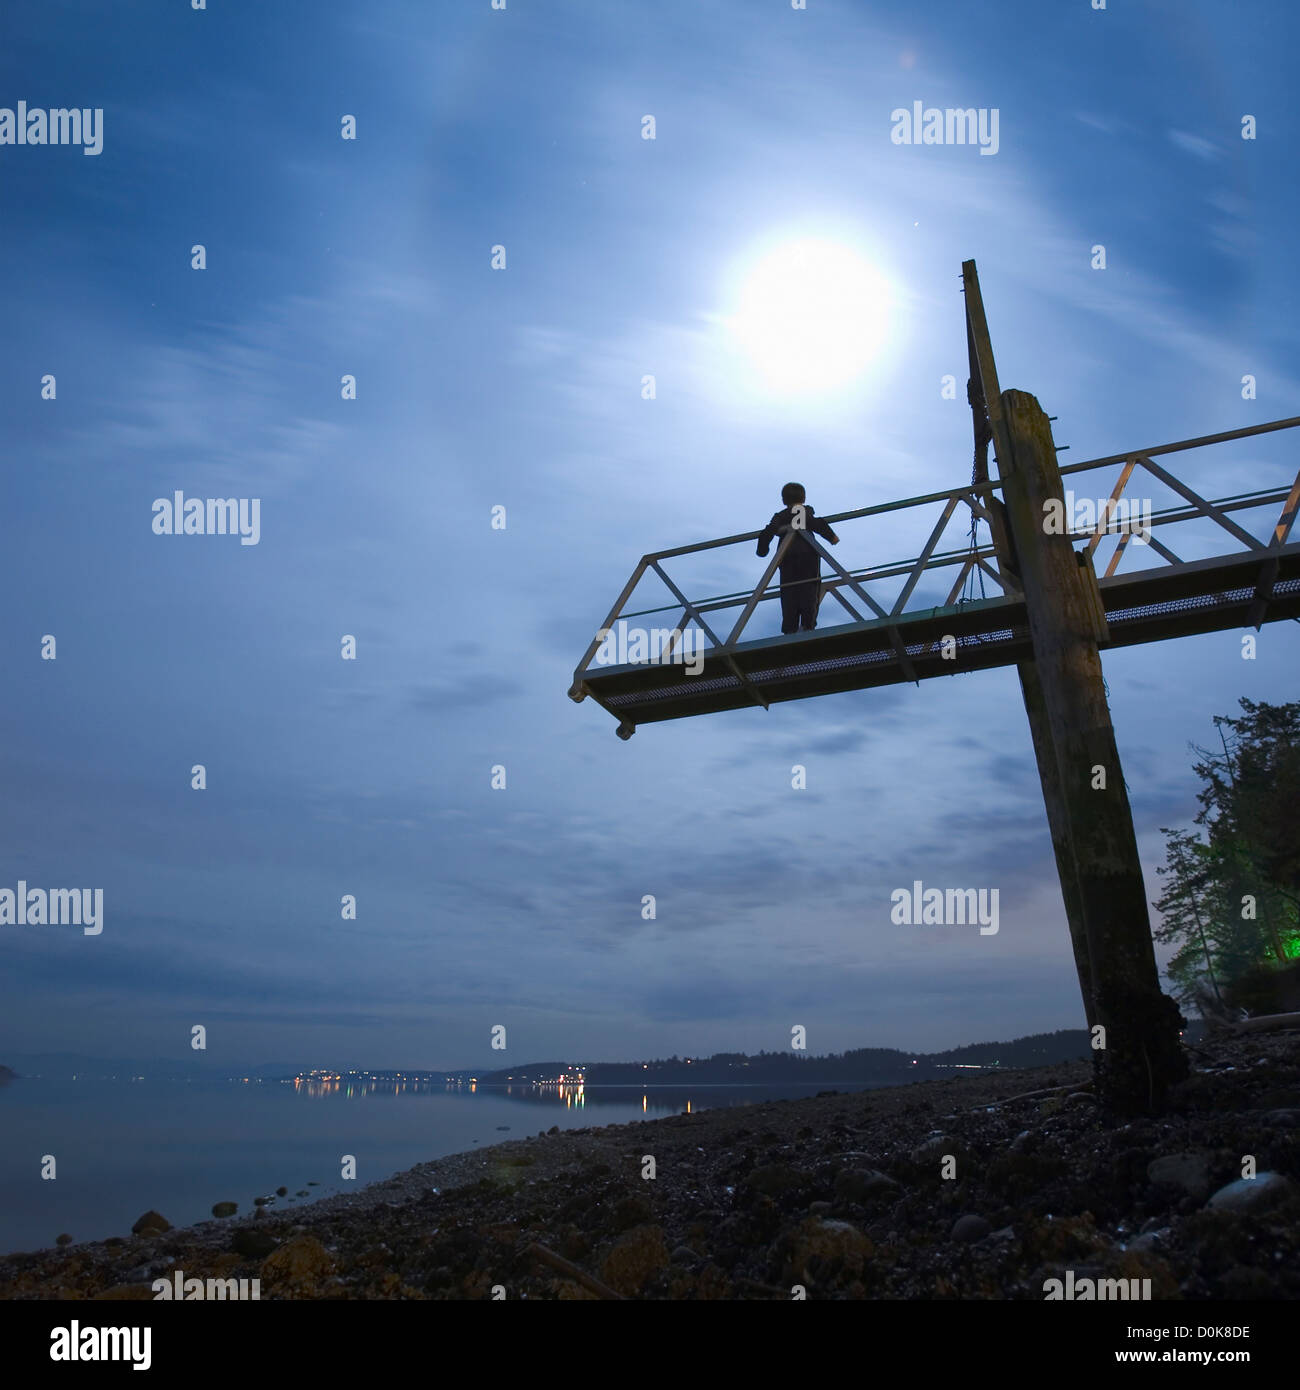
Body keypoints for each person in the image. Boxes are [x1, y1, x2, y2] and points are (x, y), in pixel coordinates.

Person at [756, 483, 840, 634]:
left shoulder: (781, 516)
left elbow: (768, 531)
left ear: (783, 500)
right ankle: (808, 625)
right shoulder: (802, 512)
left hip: (787, 558)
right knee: (810, 590)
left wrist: (762, 550)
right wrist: (832, 537)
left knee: (789, 593)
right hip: (808, 558)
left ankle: (790, 627)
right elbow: (817, 524)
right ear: (804, 498)